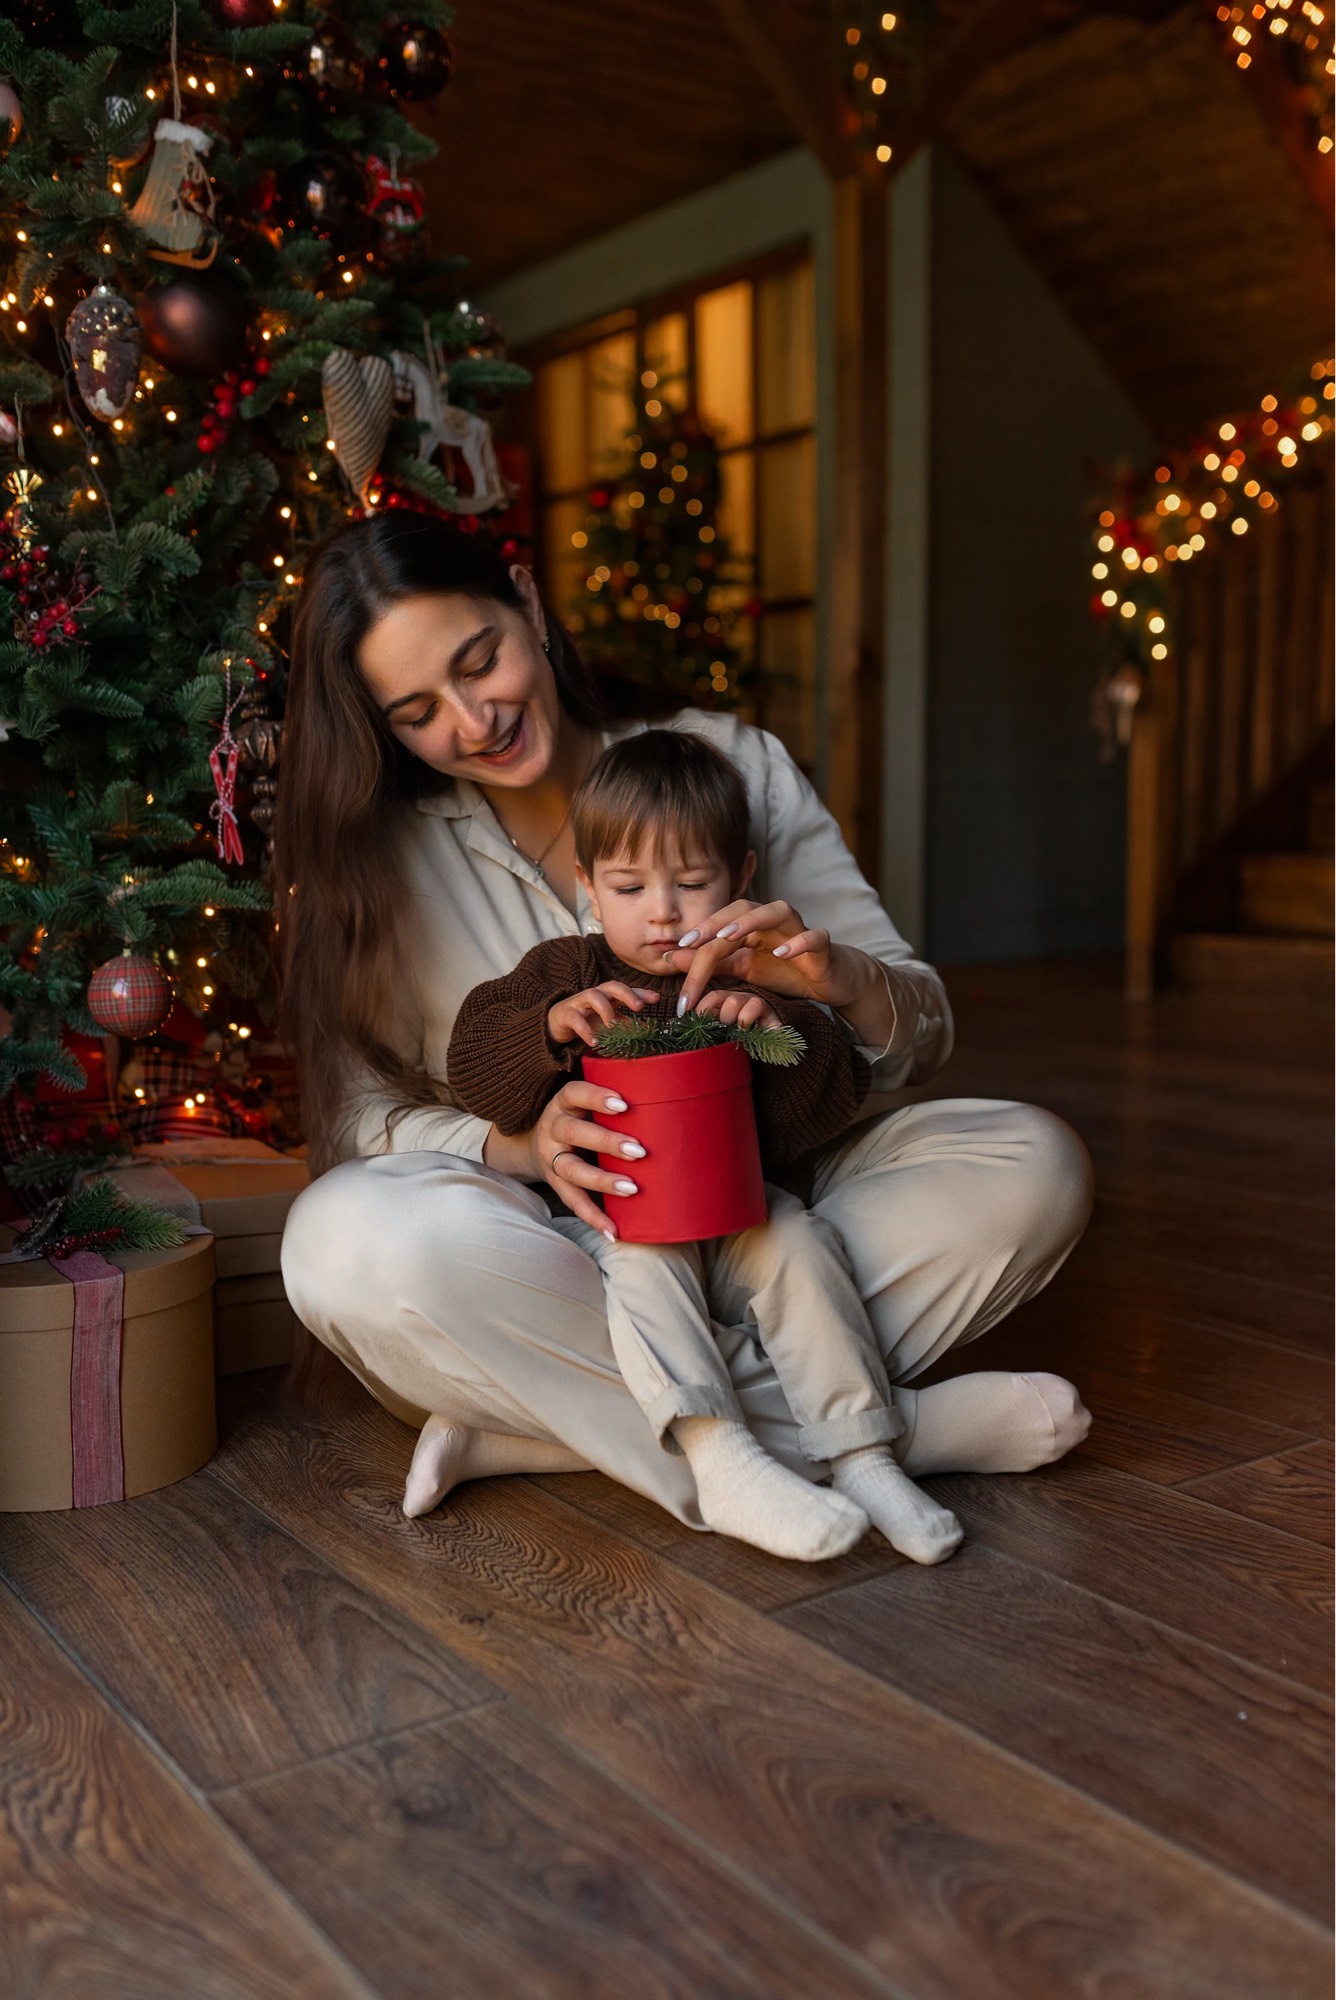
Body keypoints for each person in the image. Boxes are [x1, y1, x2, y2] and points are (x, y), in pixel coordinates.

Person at [274, 514, 1094, 1538]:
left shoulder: (727, 761)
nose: (473, 719)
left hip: (773, 1195)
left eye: (479, 660)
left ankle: (544, 1432)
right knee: (339, 1243)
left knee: (1034, 1161)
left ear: (527, 601)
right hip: (556, 1247)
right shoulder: (377, 863)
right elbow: (363, 1122)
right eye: (416, 711)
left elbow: (919, 1037)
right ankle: (881, 1431)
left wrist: (831, 976)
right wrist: (516, 1146)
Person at [438, 729, 964, 1565]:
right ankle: (723, 1458)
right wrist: (543, 1032)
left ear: (741, 878)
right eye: (628, 885)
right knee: (643, 1266)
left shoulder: (753, 979)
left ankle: (864, 1456)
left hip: (744, 1209)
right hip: (620, 1219)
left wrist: (775, 1031)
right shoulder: (563, 972)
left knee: (802, 1241)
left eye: (691, 883)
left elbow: (828, 1101)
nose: (663, 912)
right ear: (586, 882)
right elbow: (471, 1061)